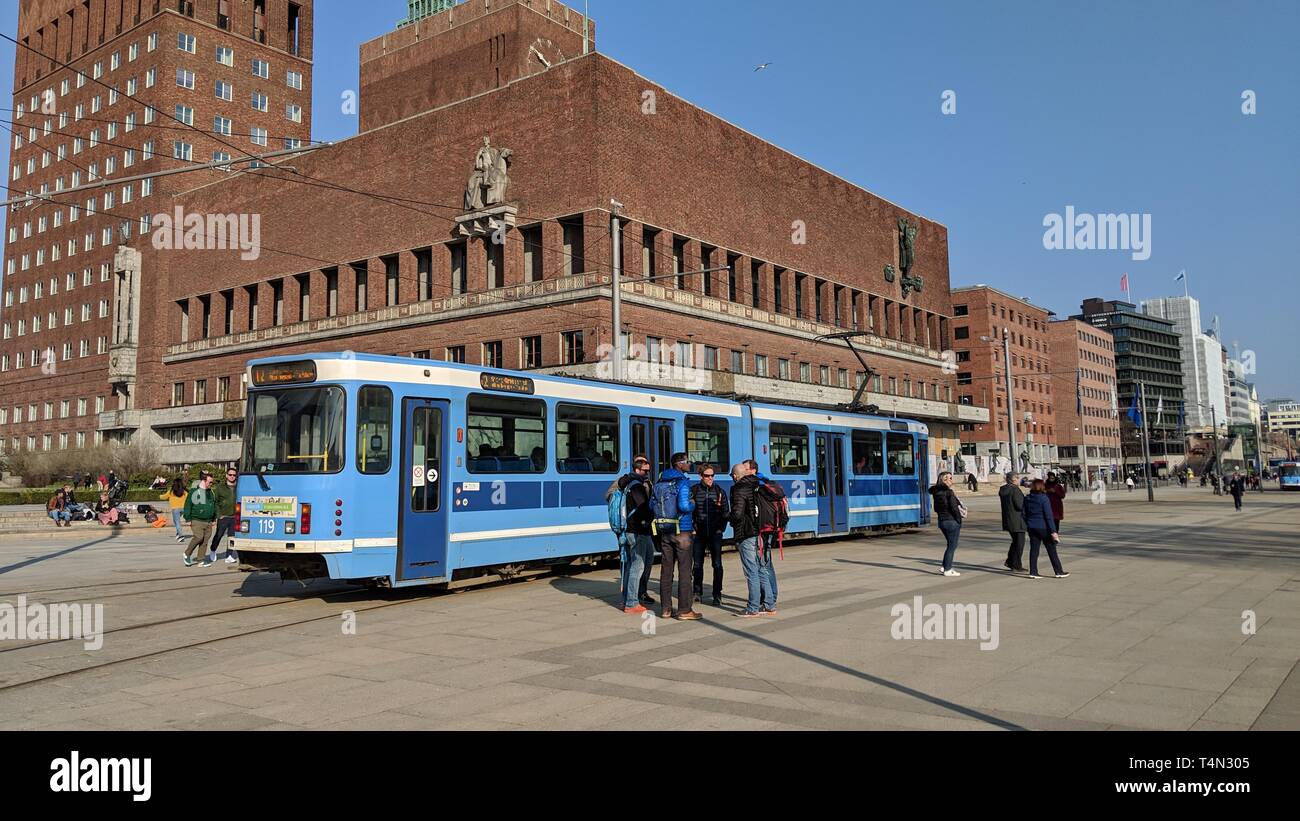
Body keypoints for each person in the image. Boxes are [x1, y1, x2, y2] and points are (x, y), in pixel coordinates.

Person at [650, 452, 701, 621]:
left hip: (665, 530)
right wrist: (693, 504)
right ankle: (684, 610)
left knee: (666, 570)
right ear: (679, 464)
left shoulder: (659, 482)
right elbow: (684, 506)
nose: (689, 464)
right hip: (682, 531)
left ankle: (665, 609)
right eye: (687, 462)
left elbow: (652, 505)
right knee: (685, 570)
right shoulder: (683, 483)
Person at [728, 460, 775, 618]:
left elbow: (737, 514)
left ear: (735, 476)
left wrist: (726, 516)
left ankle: (753, 607)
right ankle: (769, 605)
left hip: (746, 533)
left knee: (751, 571)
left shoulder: (739, 489)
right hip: (760, 532)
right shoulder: (758, 484)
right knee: (761, 568)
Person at [611, 456, 655, 613]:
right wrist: (652, 514)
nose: (647, 473)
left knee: (641, 560)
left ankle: (630, 598)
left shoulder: (627, 483)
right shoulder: (637, 486)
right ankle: (631, 602)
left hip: (631, 529)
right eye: (645, 471)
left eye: (649, 471)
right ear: (637, 470)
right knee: (637, 565)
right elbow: (643, 508)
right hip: (637, 530)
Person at [690, 463, 729, 606]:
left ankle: (717, 594)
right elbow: (689, 512)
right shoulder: (694, 490)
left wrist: (721, 528)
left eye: (712, 475)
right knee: (697, 565)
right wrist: (693, 528)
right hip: (698, 534)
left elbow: (726, 512)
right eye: (707, 475)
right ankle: (697, 592)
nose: (710, 478)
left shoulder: (719, 491)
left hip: (715, 533)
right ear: (701, 476)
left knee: (717, 565)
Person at [1024, 479, 1068, 579]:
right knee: (1051, 549)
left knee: (1034, 550)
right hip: (1043, 527)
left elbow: (1023, 513)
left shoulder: (1027, 498)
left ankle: (1033, 572)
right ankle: (1058, 571)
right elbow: (1048, 516)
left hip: (1032, 526)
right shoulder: (1044, 498)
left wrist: (1028, 523)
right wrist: (1053, 531)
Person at [929, 471, 965, 576]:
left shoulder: (936, 493)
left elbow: (936, 508)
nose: (951, 480)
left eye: (951, 478)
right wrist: (959, 519)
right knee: (952, 546)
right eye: (949, 478)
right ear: (943, 480)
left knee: (950, 544)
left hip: (942, 521)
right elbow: (954, 508)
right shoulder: (949, 492)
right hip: (951, 521)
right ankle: (948, 569)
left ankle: (945, 566)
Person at [203, 467, 241, 566]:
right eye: (230, 475)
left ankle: (229, 555)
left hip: (234, 517)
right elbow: (215, 502)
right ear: (226, 476)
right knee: (219, 535)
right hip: (223, 516)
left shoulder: (239, 486)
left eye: (234, 475)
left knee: (232, 537)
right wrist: (219, 515)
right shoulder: (220, 487)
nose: (232, 477)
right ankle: (213, 550)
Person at [182, 474, 218, 567]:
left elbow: (214, 505)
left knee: (205, 541)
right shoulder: (194, 491)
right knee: (198, 537)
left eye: (212, 482)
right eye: (210, 482)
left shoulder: (211, 492)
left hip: (209, 521)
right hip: (197, 520)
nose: (211, 484)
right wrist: (188, 518)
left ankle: (201, 560)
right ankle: (187, 553)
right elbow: (188, 505)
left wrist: (214, 518)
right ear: (204, 481)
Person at [999, 472, 1027, 572]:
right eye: (1018, 478)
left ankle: (1010, 561)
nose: (1019, 480)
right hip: (1017, 520)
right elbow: (1019, 505)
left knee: (1015, 542)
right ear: (1014, 480)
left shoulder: (1004, 490)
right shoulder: (1015, 490)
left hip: (1008, 519)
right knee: (1019, 543)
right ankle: (1016, 564)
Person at [160, 477, 189, 543]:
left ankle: (181, 536)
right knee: (176, 521)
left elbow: (164, 496)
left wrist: (159, 496)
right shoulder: (184, 491)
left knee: (177, 522)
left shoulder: (171, 491)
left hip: (175, 509)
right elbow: (189, 497)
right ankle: (178, 533)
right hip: (183, 508)